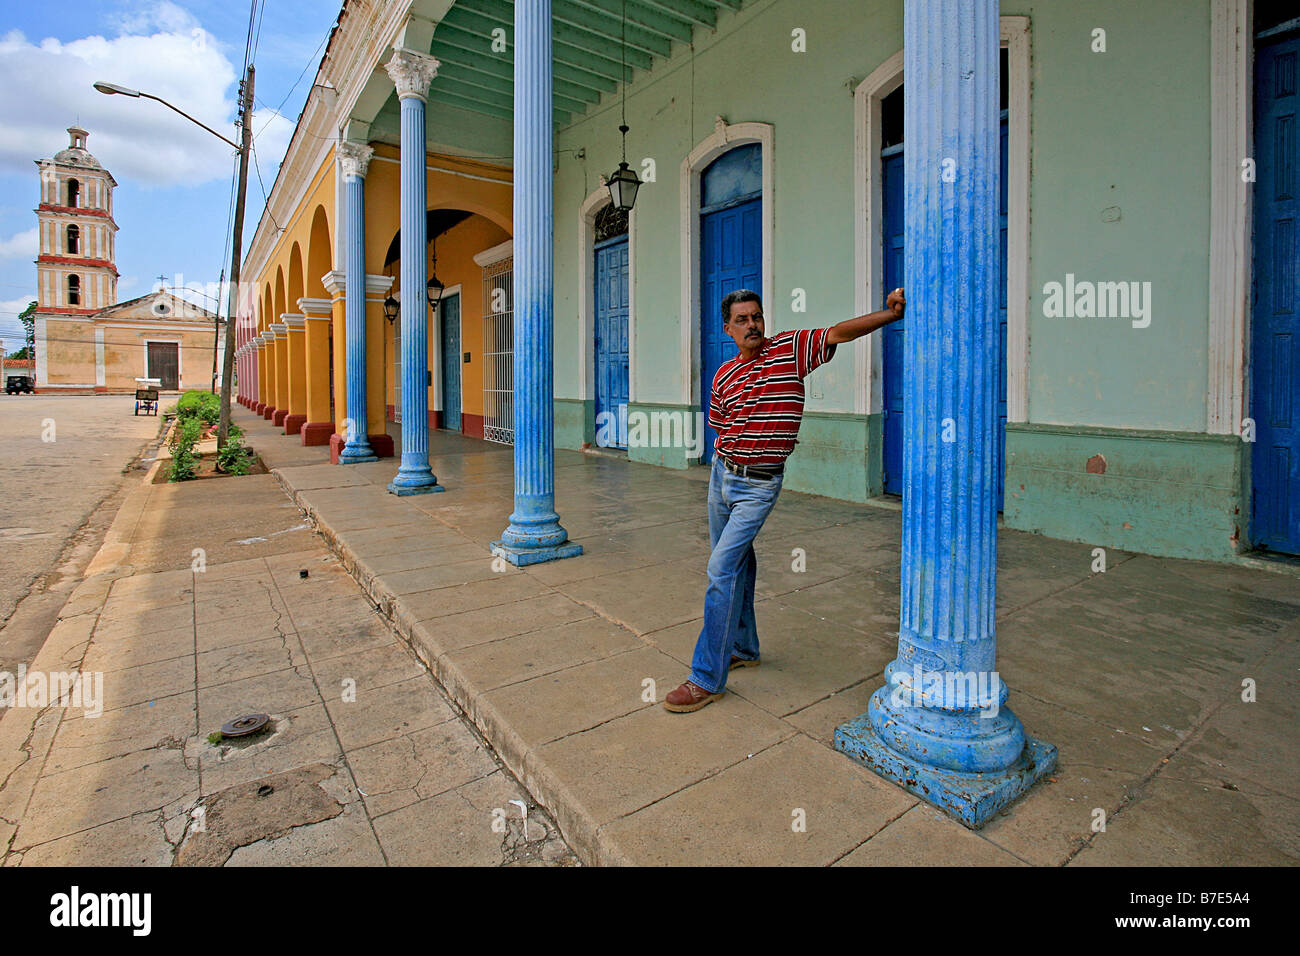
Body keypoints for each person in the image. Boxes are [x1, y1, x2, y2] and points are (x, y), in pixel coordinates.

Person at [664, 286, 907, 713]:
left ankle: (705, 676)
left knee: (721, 569)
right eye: (742, 320)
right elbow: (720, 427)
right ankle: (743, 647)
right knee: (738, 562)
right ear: (728, 329)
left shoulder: (790, 350)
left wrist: (888, 315)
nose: (752, 325)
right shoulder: (723, 375)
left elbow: (839, 334)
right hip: (721, 478)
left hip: (758, 486)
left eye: (756, 316)